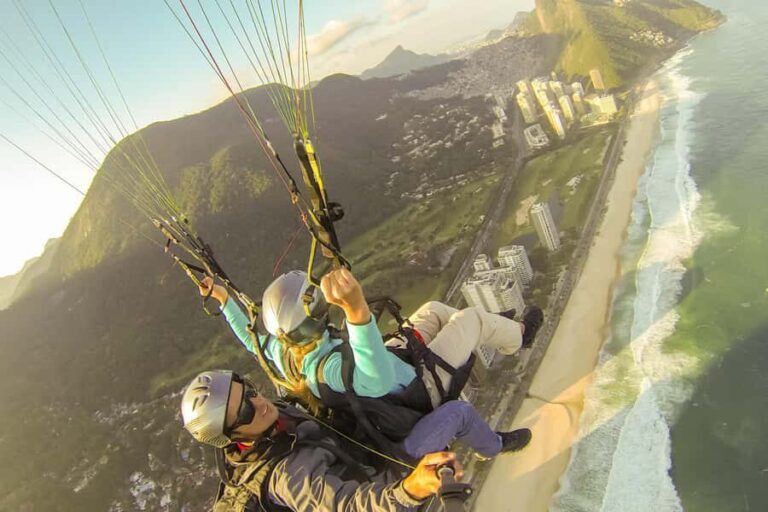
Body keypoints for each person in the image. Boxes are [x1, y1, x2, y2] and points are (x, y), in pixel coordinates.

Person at [199, 268, 543, 412]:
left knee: (434, 309)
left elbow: (251, 340)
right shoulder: (327, 369)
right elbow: (376, 379)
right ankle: (518, 339)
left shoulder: (286, 352)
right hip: (419, 388)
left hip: (397, 360)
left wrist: (223, 299)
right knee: (469, 318)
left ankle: (494, 328)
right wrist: (356, 311)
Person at [180, 370, 532, 511]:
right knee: (459, 414)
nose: (258, 404)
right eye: (242, 412)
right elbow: (349, 507)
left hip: (373, 460)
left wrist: (224, 299)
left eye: (251, 392)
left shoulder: (274, 419)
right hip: (385, 488)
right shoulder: (288, 475)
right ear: (231, 438)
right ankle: (494, 447)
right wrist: (410, 488)